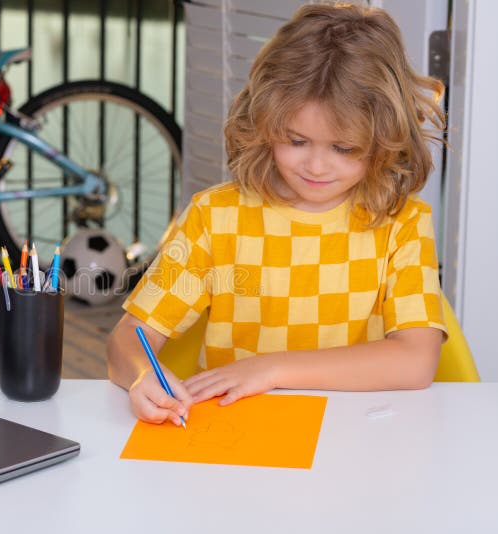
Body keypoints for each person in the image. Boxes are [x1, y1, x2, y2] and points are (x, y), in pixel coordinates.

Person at [107, 3, 448, 427]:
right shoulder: (215, 217)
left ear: (385, 140)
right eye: (297, 140)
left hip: (357, 439)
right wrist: (141, 375)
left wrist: (271, 369)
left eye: (343, 148)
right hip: (237, 441)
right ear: (265, 122)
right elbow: (128, 338)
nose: (317, 166)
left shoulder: (403, 223)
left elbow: (415, 361)